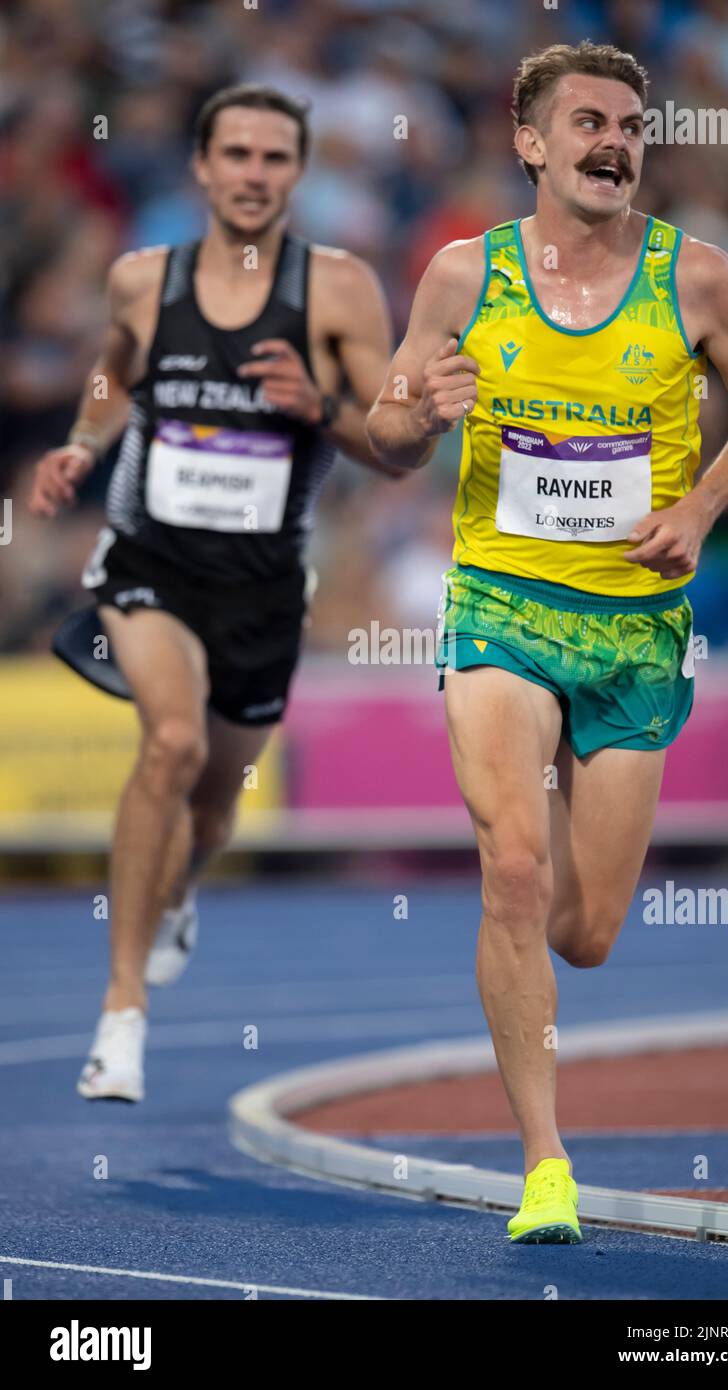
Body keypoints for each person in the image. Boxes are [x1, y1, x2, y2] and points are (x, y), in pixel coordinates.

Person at [366, 41, 728, 1243]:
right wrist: (412, 416)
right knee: (512, 870)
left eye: (629, 124)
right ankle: (544, 1163)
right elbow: (389, 423)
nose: (613, 142)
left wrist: (699, 507)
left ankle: (551, 807)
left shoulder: (697, 276)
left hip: (634, 632)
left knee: (586, 930)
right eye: (588, 123)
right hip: (501, 606)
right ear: (529, 142)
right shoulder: (464, 274)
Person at [28, 85, 398, 1103]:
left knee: (215, 811)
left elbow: (395, 449)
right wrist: (78, 445)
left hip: (263, 587)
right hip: (151, 565)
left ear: (297, 173)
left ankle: (182, 886)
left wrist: (316, 406)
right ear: (200, 166)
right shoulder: (144, 279)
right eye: (234, 153)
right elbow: (111, 375)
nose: (252, 173)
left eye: (274, 157)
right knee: (173, 742)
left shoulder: (336, 291)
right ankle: (121, 1017)